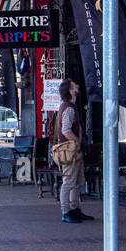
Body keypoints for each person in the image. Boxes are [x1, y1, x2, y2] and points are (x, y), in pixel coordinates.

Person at [55, 78, 91, 223]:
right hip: (70, 150)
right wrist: (78, 141)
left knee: (76, 180)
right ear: (70, 91)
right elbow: (66, 130)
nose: (78, 89)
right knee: (69, 181)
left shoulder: (67, 106)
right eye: (75, 87)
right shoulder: (69, 108)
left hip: (72, 149)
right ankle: (66, 212)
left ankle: (74, 209)